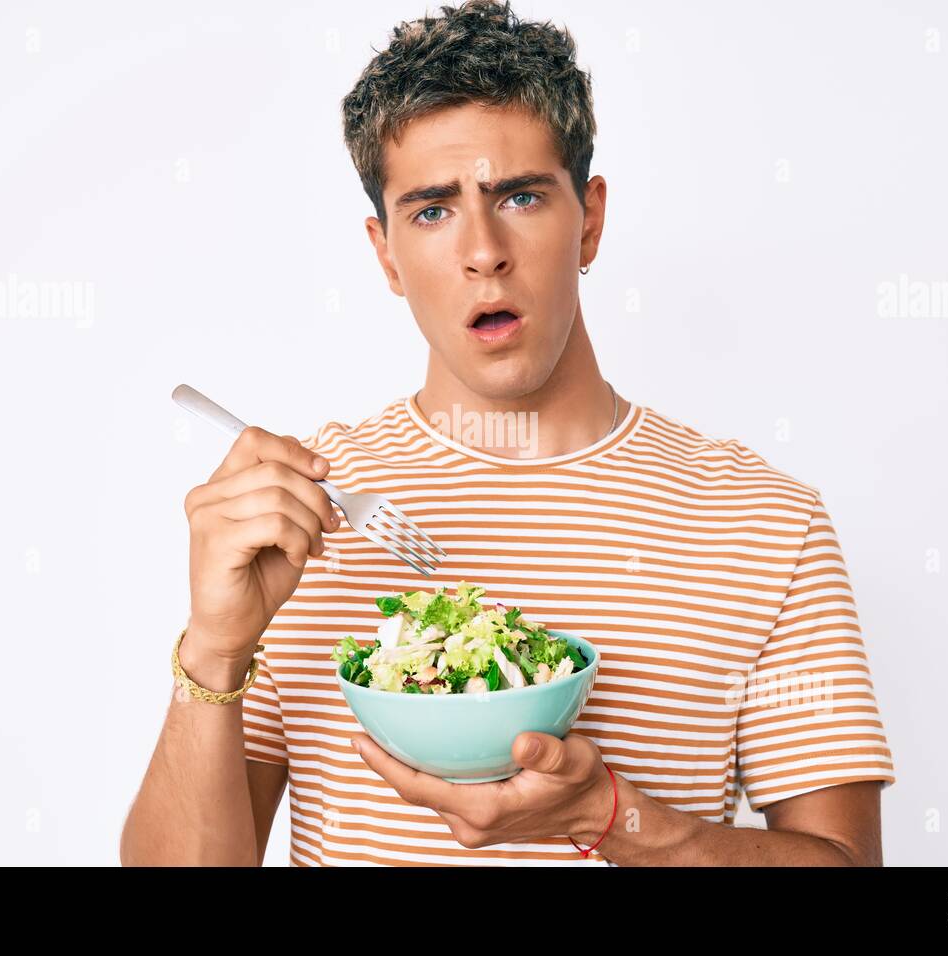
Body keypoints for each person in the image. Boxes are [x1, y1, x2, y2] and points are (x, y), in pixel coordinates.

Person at [121, 0, 895, 867]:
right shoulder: (301, 516)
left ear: (589, 219)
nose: (483, 251)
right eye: (431, 210)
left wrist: (613, 818)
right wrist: (215, 649)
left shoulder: (765, 519)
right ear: (384, 255)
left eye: (520, 196)